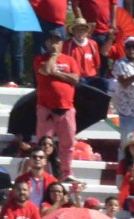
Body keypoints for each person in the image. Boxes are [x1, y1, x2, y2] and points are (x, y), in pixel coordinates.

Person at [33, 31, 80, 182]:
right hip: (47, 108)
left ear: (62, 43)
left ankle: (67, 172)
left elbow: (75, 79)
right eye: (52, 41)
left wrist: (57, 75)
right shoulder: (40, 59)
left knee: (68, 143)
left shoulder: (70, 60)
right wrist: (53, 56)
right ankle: (45, 173)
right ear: (46, 43)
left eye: (58, 41)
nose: (55, 44)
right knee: (44, 143)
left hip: (67, 108)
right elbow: (46, 70)